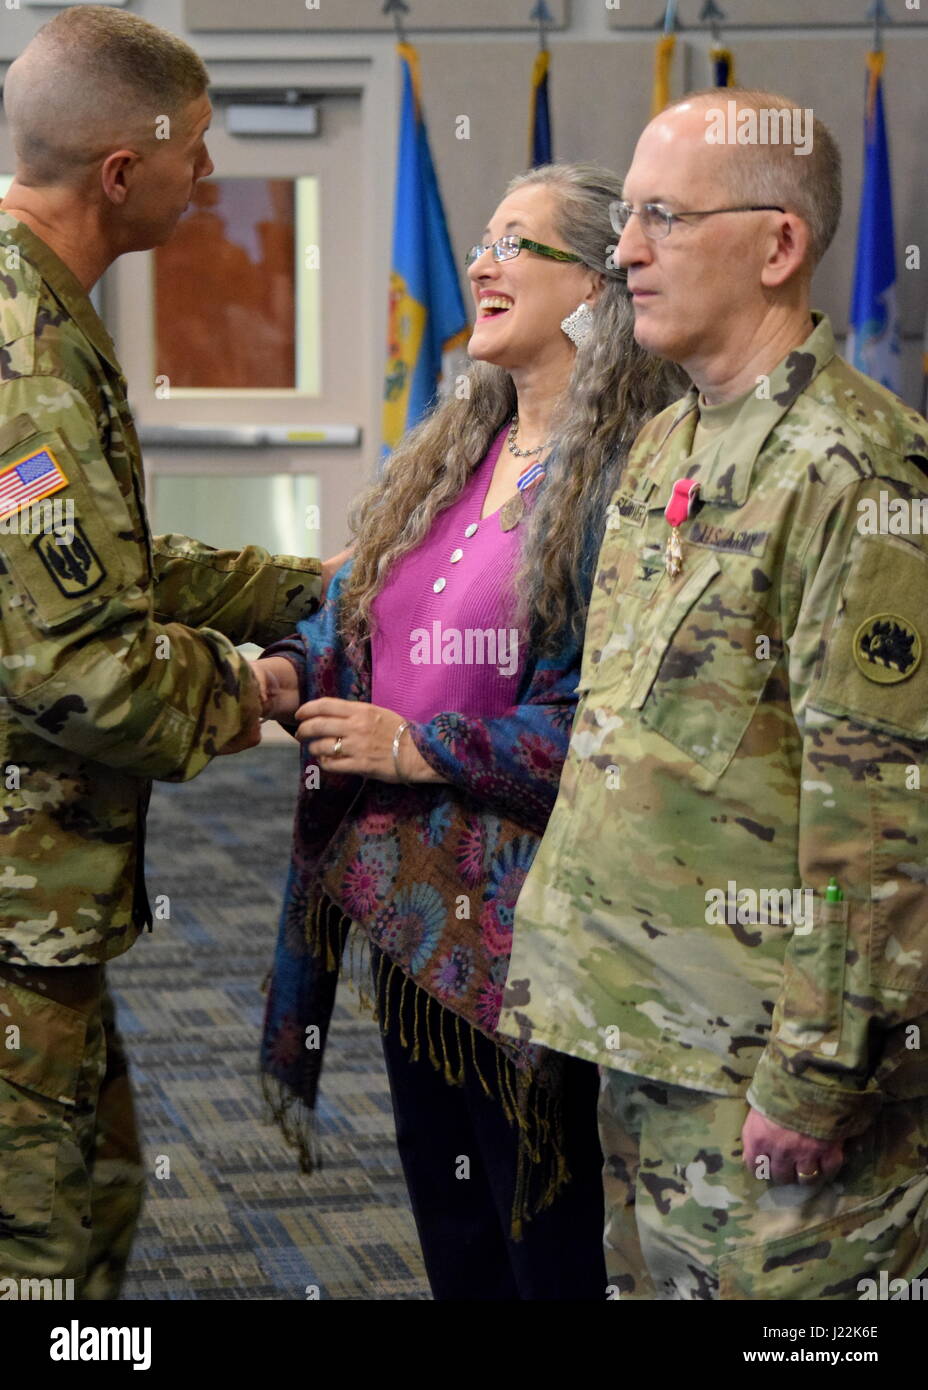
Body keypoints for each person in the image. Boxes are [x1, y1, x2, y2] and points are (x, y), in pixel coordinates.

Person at [497, 87, 928, 1300]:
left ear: (777, 245)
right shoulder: (669, 441)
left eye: (661, 220)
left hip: (769, 1075)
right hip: (652, 1036)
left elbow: (885, 819)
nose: (622, 251)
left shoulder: (857, 474)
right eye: (625, 218)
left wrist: (815, 1071)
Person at [253, 163, 681, 1300]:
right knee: (455, 1233)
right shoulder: (455, 445)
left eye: (515, 244)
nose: (482, 264)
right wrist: (289, 666)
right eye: (483, 240)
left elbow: (616, 714)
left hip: (537, 930)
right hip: (407, 905)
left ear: (595, 286)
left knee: (547, 1235)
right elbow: (356, 613)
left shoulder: (637, 473)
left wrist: (418, 746)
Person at [0, 7, 328, 1299]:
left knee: (98, 1204)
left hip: (45, 912)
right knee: (46, 1255)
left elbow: (108, 561)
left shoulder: (43, 315)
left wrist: (322, 583)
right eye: (198, 149)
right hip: (19, 917)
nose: (215, 177)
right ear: (121, 173)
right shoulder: (26, 359)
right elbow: (85, 663)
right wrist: (251, 689)